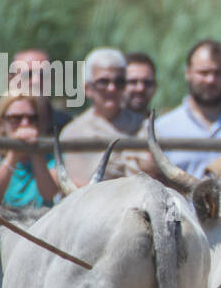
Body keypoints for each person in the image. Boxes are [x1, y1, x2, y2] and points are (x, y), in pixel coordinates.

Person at [58, 48, 151, 185]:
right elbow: (77, 190)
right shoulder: (74, 133)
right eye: (103, 82)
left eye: (119, 82)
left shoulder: (144, 126)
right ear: (88, 89)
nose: (111, 88)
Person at [154, 40, 221, 178]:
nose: (210, 80)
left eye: (218, 73)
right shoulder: (162, 128)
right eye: (203, 73)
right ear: (188, 73)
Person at [0, 88, 60, 207]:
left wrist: (35, 152)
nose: (25, 123)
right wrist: (13, 156)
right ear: (1, 124)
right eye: (16, 118)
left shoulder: (49, 153)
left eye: (32, 118)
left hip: (41, 221)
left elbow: (50, 194)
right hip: (1, 222)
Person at [9, 48, 74, 134]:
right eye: (28, 74)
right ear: (11, 79)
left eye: (43, 74)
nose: (37, 81)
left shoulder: (69, 127)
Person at [124, 52, 157, 118]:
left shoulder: (161, 126)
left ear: (155, 86)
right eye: (133, 82)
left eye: (147, 83)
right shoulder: (100, 126)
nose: (140, 88)